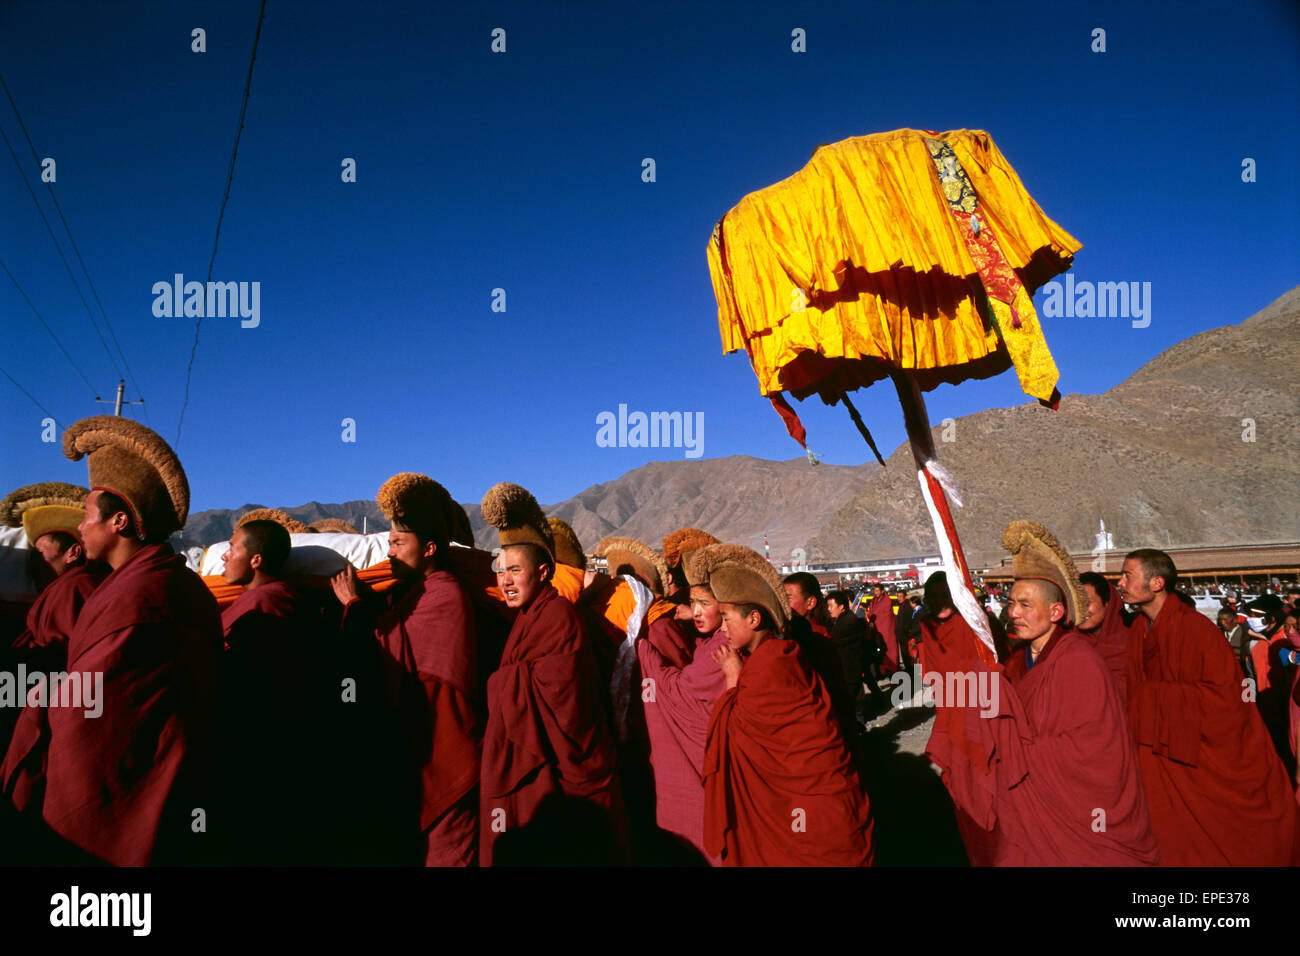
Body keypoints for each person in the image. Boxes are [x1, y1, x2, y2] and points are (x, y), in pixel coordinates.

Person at [39, 416, 221, 865]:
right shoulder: (161, 582)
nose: (80, 527)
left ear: (119, 521)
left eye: (86, 516)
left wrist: (46, 699)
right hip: (181, 768)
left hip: (136, 776)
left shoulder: (143, 593)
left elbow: (97, 709)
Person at [928, 522, 1161, 868]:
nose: (1014, 613)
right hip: (1032, 803)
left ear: (1056, 612)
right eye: (1011, 603)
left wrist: (1016, 747)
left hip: (1076, 812)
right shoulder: (1022, 660)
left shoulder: (1080, 662)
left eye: (1025, 604)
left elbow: (1095, 749)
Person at [329, 473, 482, 866]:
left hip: (444, 748)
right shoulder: (414, 591)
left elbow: (391, 651)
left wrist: (355, 607)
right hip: (415, 749)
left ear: (429, 548)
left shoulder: (445, 593)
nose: (390, 553)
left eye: (398, 543)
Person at [1119, 548, 1299, 865]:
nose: (1120, 583)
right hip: (1157, 752)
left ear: (1157, 582)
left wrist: (1152, 697)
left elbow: (1226, 703)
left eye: (1127, 576)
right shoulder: (1137, 631)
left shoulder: (1196, 630)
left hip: (1197, 755)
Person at [697, 544, 873, 866]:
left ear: (754, 617)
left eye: (726, 618)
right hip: (817, 795)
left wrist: (733, 679)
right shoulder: (780, 652)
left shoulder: (769, 665)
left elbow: (739, 734)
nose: (722, 628)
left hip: (802, 798)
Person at [478, 482, 623, 865]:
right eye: (501, 571)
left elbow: (564, 701)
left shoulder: (559, 616)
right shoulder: (528, 616)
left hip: (564, 770)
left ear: (544, 572)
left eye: (515, 571)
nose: (504, 581)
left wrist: (497, 685)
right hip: (541, 762)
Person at [0, 482, 108, 815]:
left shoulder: (76, 588)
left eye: (40, 551)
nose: (33, 561)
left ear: (73, 553)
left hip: (47, 708)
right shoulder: (61, 587)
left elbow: (61, 658)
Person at [634, 533, 730, 863]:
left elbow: (682, 692)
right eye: (694, 603)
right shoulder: (710, 639)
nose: (695, 611)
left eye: (704, 604)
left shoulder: (722, 645)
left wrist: (646, 654)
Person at [1076, 571, 1130, 701]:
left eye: (1087, 602)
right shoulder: (1067, 644)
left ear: (1108, 604)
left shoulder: (1133, 641)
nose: (1080, 610)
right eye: (1076, 603)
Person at [866, 583, 900, 675]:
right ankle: (882, 669)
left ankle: (892, 668)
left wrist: (873, 618)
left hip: (886, 629)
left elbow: (883, 615)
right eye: (874, 590)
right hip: (877, 629)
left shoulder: (887, 601)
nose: (875, 592)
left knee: (889, 649)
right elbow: (871, 612)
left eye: (877, 591)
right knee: (880, 649)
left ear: (882, 591)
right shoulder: (874, 600)